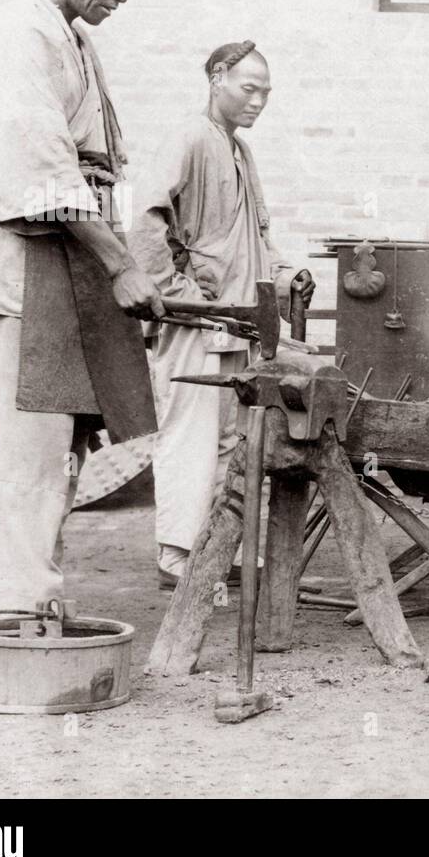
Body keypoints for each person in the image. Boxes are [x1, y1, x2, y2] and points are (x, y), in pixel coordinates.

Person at [0, 0, 164, 613]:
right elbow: (43, 170)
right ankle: (17, 621)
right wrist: (119, 262)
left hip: (68, 271)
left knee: (61, 457)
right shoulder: (19, 31)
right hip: (32, 272)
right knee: (28, 462)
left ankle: (36, 609)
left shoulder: (76, 38)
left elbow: (97, 167)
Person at [128, 41, 306, 588]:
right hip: (196, 321)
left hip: (238, 321)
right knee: (190, 435)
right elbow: (144, 217)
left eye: (266, 93)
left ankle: (215, 549)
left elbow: (258, 238)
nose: (258, 101)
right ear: (216, 77)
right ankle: (177, 555)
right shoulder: (188, 137)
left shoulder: (239, 151)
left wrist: (285, 275)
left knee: (230, 441)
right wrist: (174, 291)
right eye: (248, 89)